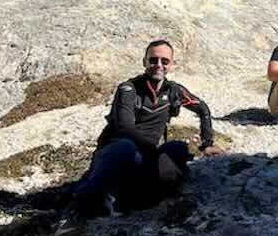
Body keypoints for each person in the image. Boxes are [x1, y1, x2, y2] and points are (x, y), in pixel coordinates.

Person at [67, 39, 220, 221]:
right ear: (144, 62)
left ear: (172, 64)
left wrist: (208, 143)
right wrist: (153, 152)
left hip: (146, 157)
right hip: (120, 155)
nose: (158, 65)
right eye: (153, 60)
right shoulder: (128, 89)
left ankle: (137, 199)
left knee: (178, 149)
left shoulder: (174, 91)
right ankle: (86, 200)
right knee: (125, 147)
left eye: (164, 61)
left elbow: (202, 109)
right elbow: (125, 127)